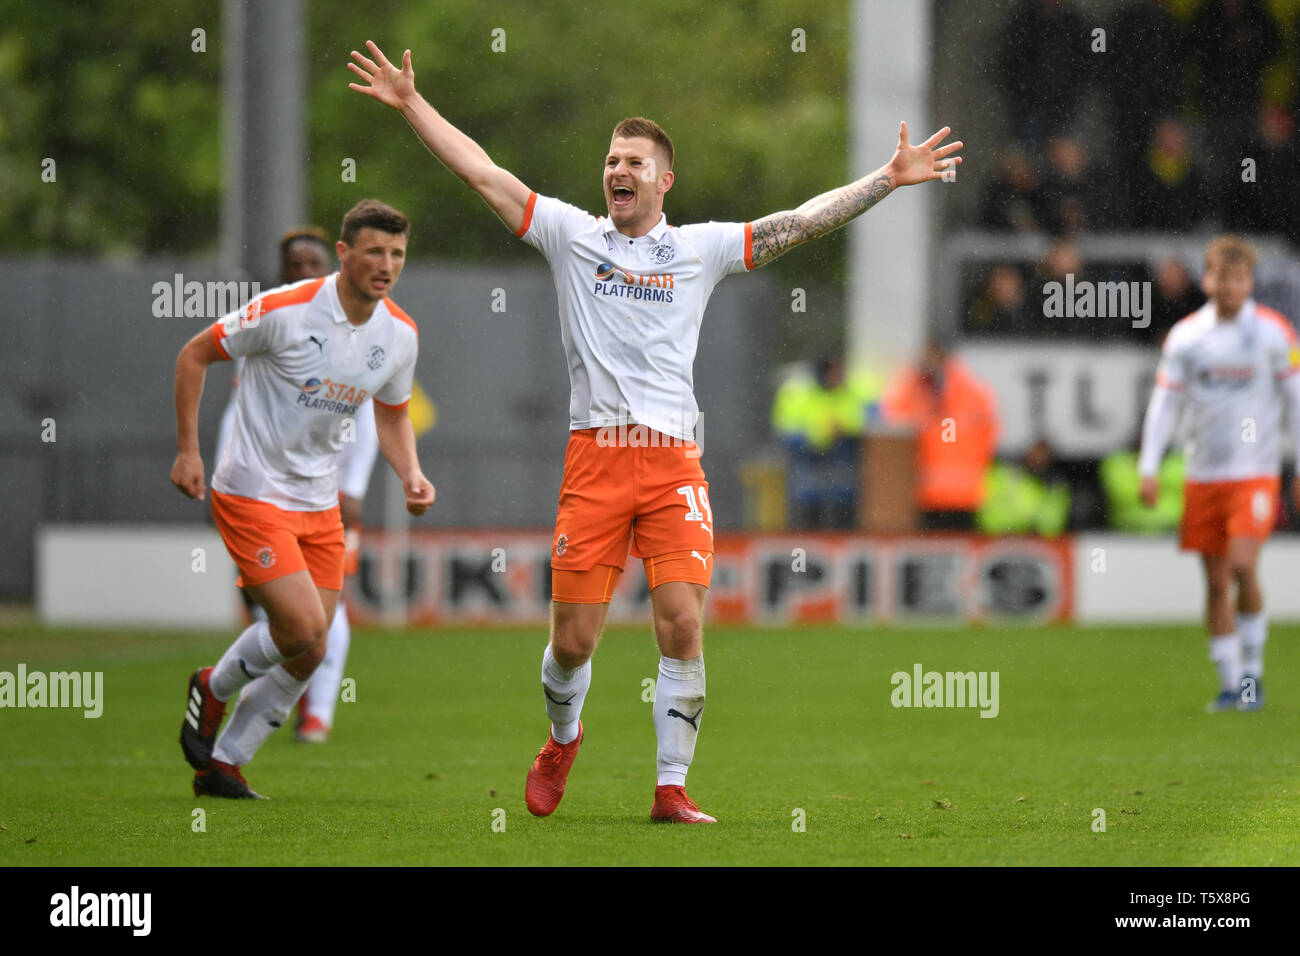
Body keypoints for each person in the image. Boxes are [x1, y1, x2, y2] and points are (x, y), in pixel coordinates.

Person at [348, 40, 961, 822]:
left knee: (681, 622)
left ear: (663, 180)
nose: (618, 171)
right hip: (595, 459)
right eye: (611, 159)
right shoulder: (571, 237)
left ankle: (671, 787)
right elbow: (482, 172)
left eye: (635, 161)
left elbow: (798, 224)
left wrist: (889, 176)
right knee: (573, 642)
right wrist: (410, 104)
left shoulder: (699, 250)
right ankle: (563, 736)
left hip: (672, 462)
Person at [172, 199, 436, 797]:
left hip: (317, 501)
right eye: (374, 251)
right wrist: (189, 450)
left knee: (311, 649)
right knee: (300, 626)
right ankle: (211, 687)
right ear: (344, 253)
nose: (386, 264)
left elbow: (393, 415)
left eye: (396, 253)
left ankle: (225, 764)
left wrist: (410, 473)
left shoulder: (399, 335)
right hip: (252, 488)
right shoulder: (285, 310)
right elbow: (194, 354)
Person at [1137, 235, 1300, 712]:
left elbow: (1295, 400)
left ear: (1250, 282)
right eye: (1223, 277)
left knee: (1243, 566)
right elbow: (1164, 404)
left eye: (1241, 278)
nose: (1231, 287)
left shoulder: (1275, 333)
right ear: (1207, 279)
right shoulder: (1187, 336)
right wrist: (1149, 466)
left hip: (1255, 473)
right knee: (1213, 581)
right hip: (1203, 475)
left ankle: (1252, 676)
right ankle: (1230, 685)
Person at [881, 337, 999, 531]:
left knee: (947, 546)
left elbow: (977, 432)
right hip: (932, 491)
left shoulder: (964, 390)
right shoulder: (915, 388)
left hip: (958, 492)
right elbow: (895, 427)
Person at [771, 357, 880, 529]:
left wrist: (847, 430)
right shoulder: (798, 393)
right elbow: (787, 431)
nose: (837, 377)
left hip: (844, 457)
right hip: (810, 460)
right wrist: (819, 435)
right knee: (809, 511)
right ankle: (808, 549)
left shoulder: (856, 390)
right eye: (832, 373)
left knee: (844, 511)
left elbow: (873, 419)